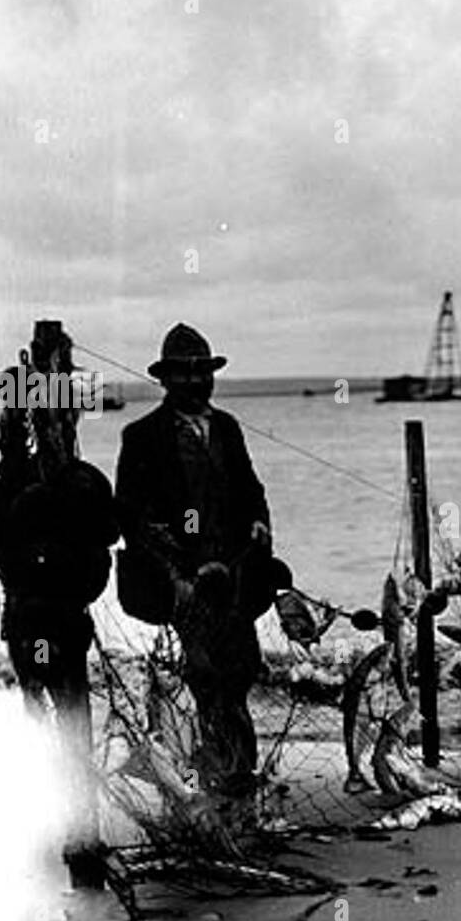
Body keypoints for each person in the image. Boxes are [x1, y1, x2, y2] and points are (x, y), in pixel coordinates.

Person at [0, 321, 117, 889]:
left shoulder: (67, 484)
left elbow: (98, 545)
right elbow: (4, 545)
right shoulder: (3, 490)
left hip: (51, 621)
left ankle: (73, 850)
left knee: (61, 732)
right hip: (39, 623)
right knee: (57, 731)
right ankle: (65, 848)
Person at [115, 324, 276, 799]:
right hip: (183, 584)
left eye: (201, 373)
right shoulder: (142, 436)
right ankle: (207, 782)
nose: (194, 382)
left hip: (234, 577)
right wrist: (183, 569)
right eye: (183, 375)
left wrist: (260, 527)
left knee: (241, 671)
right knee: (203, 678)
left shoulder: (226, 427)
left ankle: (238, 777)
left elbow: (252, 492)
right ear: (164, 381)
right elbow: (133, 516)